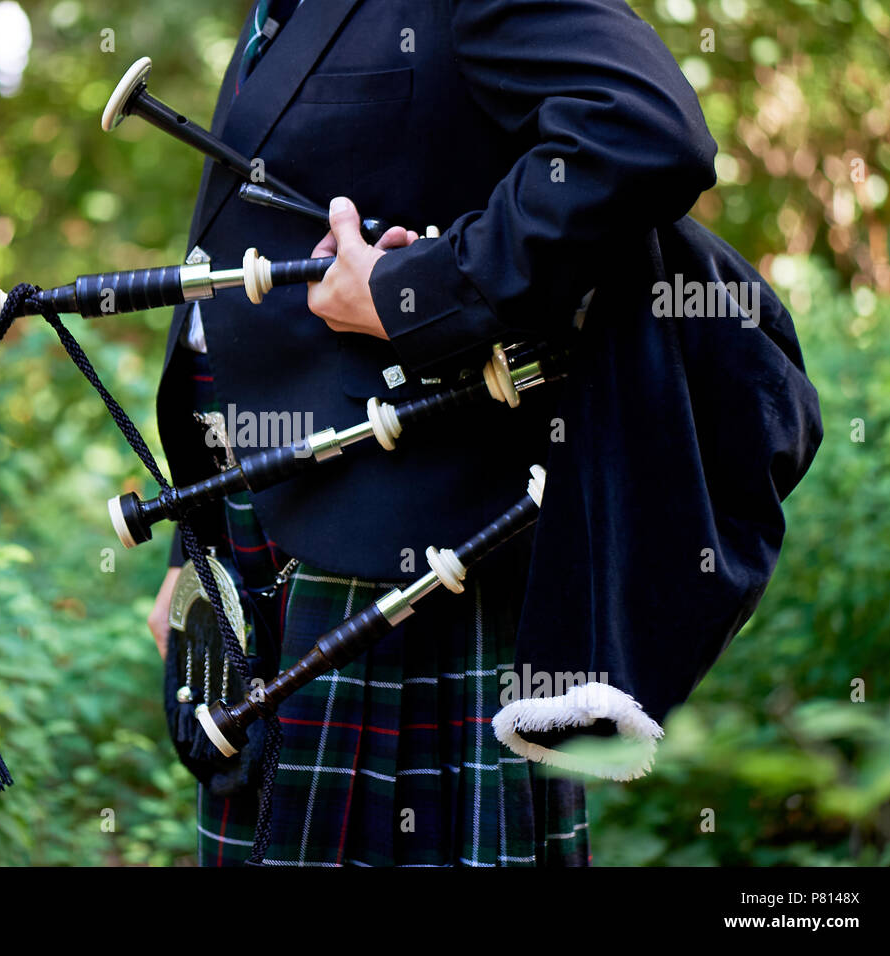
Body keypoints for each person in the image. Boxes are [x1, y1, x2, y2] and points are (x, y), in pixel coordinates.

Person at [144, 0, 819, 867]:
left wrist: (415, 288)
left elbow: (643, 131)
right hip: (259, 515)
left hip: (409, 547)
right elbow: (241, 223)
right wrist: (192, 542)